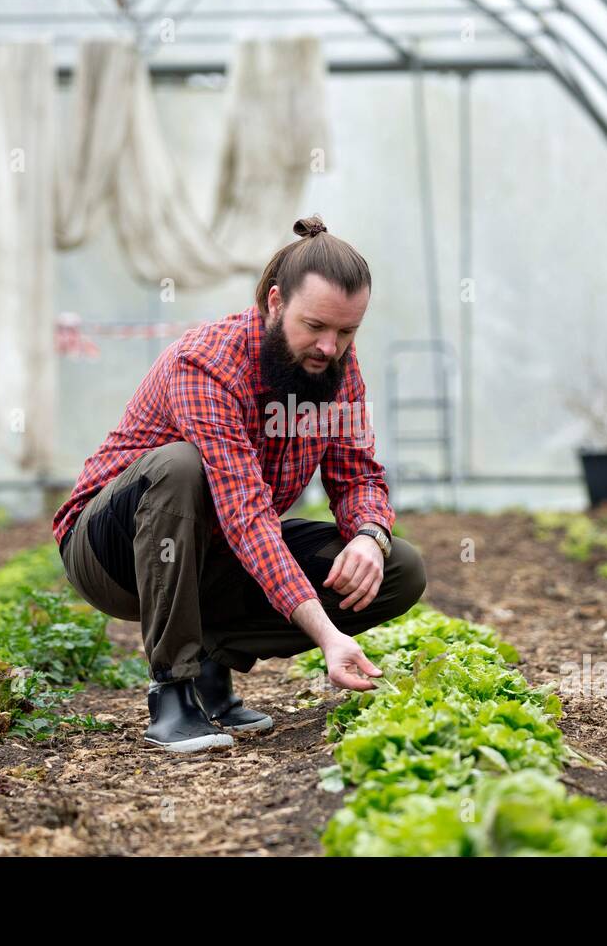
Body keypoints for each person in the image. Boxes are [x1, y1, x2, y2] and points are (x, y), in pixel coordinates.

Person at [53, 215, 427, 753]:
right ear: (275, 303)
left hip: (213, 552)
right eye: (315, 326)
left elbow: (358, 475)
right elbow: (245, 512)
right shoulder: (208, 364)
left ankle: (213, 661)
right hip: (113, 552)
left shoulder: (339, 371)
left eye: (347, 332)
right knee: (182, 466)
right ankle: (173, 692)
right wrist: (326, 636)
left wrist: (370, 534)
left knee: (398, 570)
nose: (329, 347)